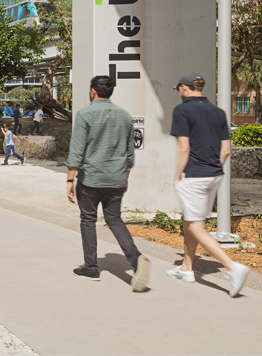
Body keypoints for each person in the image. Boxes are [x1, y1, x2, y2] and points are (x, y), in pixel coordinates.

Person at [167, 72, 249, 296]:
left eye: (179, 89)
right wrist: (214, 168)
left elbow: (184, 147)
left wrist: (177, 175)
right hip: (214, 174)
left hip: (194, 175)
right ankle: (186, 268)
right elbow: (226, 150)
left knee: (195, 225)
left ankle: (233, 267)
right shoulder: (218, 112)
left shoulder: (182, 110)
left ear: (184, 88)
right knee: (191, 219)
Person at [66, 75, 150, 291]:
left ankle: (91, 267)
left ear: (93, 91)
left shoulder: (85, 114)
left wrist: (70, 178)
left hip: (92, 178)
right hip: (116, 178)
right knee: (114, 219)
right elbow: (129, 153)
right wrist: (125, 178)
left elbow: (77, 149)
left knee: (88, 220)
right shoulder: (124, 116)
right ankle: (135, 259)